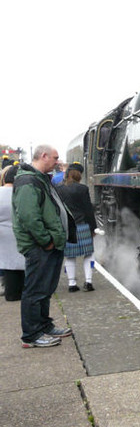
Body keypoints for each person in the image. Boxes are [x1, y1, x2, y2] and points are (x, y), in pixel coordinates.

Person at [12, 145, 75, 348]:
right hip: (40, 246)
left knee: (46, 289)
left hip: (50, 244)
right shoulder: (28, 181)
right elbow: (29, 217)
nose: (57, 162)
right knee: (35, 290)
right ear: (44, 156)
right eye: (55, 158)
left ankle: (44, 325)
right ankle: (31, 334)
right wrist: (46, 241)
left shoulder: (39, 179)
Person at [56, 162, 96, 292]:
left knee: (70, 256)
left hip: (68, 227)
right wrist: (93, 228)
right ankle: (88, 282)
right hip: (82, 225)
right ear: (79, 175)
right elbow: (88, 210)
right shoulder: (82, 189)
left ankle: (72, 284)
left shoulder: (58, 188)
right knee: (88, 254)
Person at [0, 164, 26, 301]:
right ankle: (21, 291)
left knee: (8, 265)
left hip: (3, 235)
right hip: (21, 233)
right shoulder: (23, 194)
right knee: (21, 263)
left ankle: (10, 293)